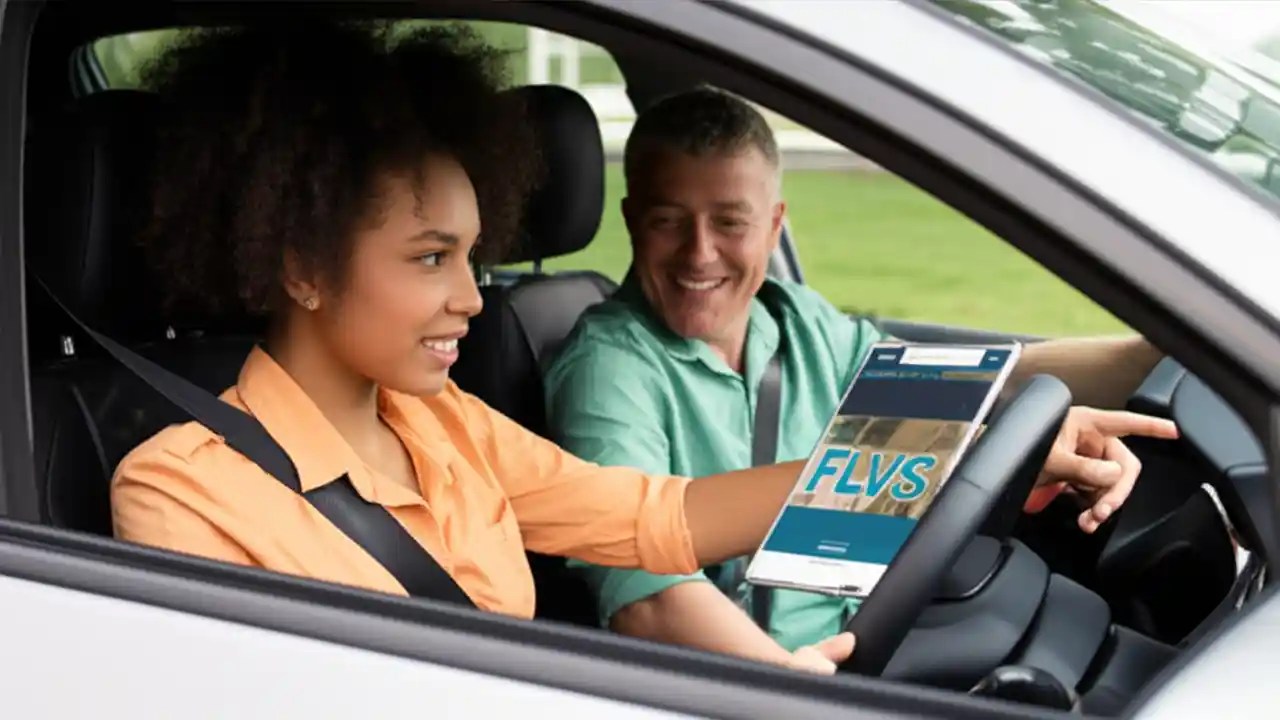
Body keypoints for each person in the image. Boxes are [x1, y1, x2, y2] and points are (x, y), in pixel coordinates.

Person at [111, 25, 1163, 677]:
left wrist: (946, 452)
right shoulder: (180, 495)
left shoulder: (446, 425)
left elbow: (660, 518)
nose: (473, 298)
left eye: (473, 256)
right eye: (432, 258)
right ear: (300, 265)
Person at [543, 87, 1177, 673]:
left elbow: (934, 405)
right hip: (762, 683)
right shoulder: (608, 369)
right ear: (631, 219)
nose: (699, 253)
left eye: (730, 222)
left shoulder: (799, 322)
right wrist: (799, 697)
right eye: (668, 221)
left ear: (774, 224)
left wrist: (1065, 415)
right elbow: (647, 602)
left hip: (869, 627)